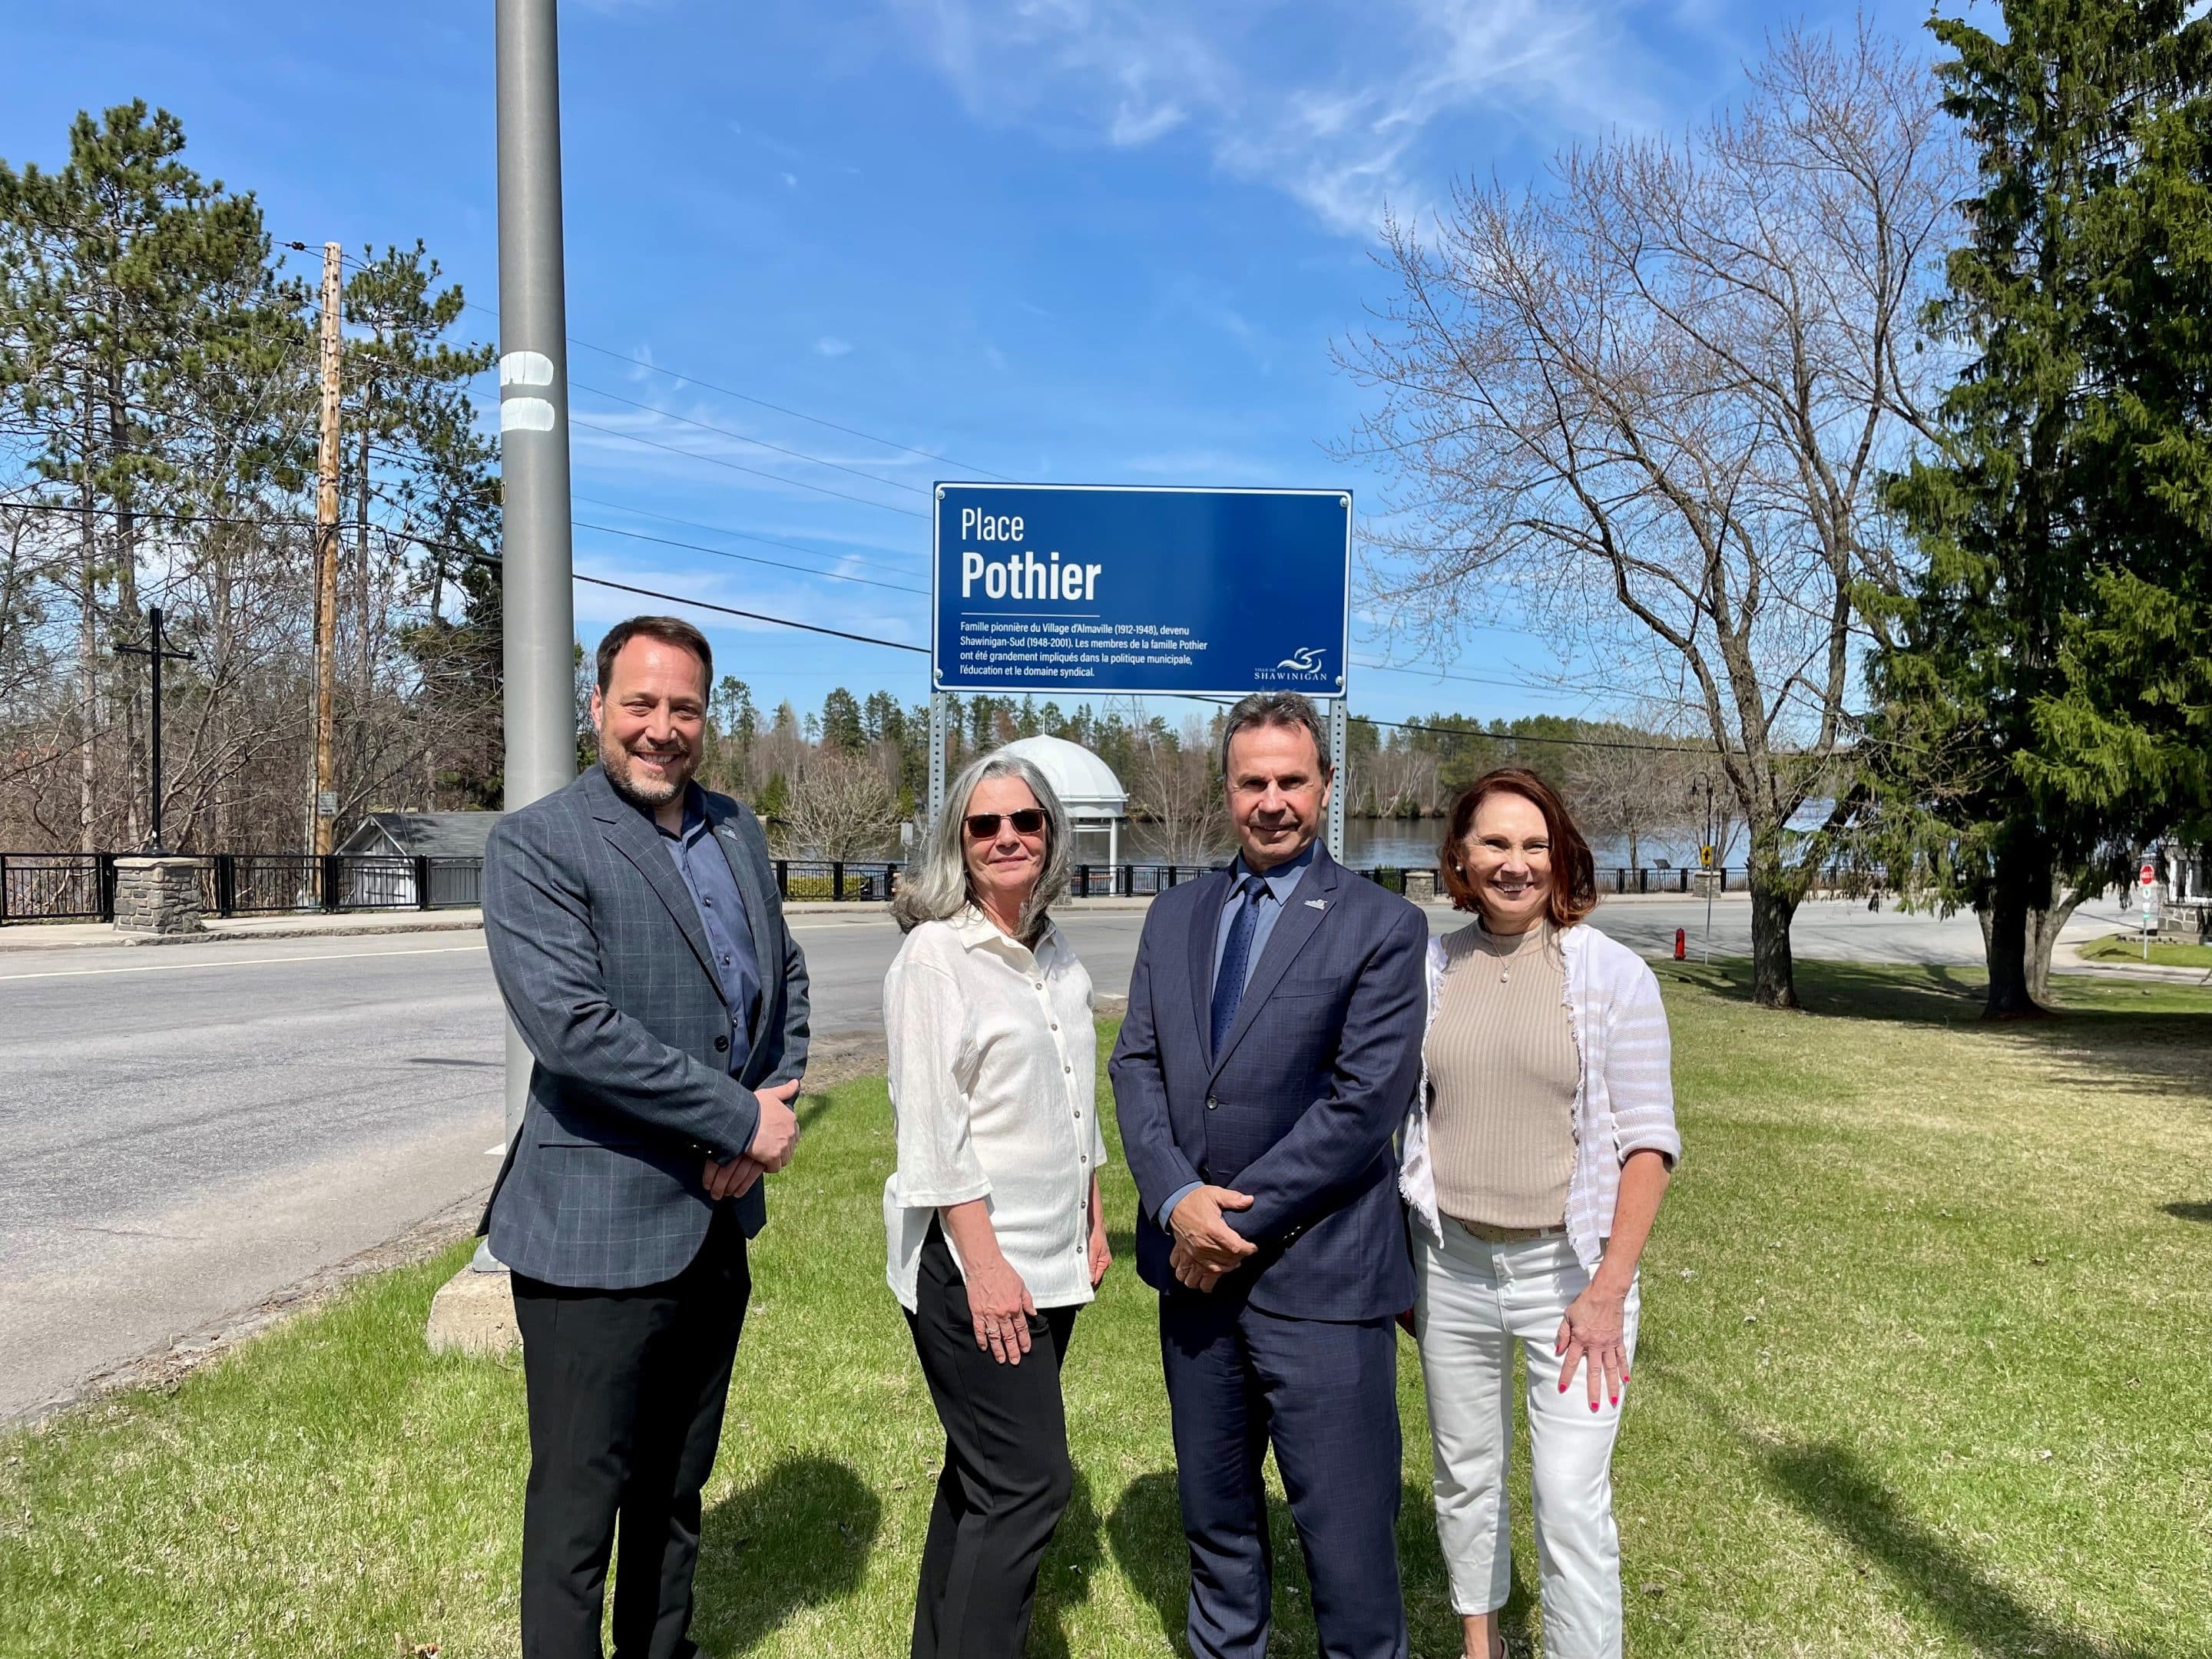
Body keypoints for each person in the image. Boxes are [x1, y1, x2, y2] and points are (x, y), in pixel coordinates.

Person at [479, 614, 811, 1659]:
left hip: (713, 1227)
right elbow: (576, 1032)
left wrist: (766, 1115)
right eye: (640, 704)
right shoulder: (537, 845)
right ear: (598, 709)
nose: (661, 728)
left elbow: (785, 979)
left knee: (675, 1490)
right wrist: (734, 1116)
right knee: (580, 1513)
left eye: (683, 708)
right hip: (595, 1234)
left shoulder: (738, 831)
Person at [1111, 691, 1429, 1659]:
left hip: (1321, 1284)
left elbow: (1361, 1106)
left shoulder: (1381, 925)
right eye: (1254, 782)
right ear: (1227, 790)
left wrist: (1225, 1225)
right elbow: (1138, 1067)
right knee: (1218, 1538)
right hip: (1196, 1295)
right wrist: (1174, 1200)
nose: (1274, 800)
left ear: (1327, 788)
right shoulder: (1174, 915)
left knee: (1348, 1555)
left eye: (1293, 780)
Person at [1400, 769, 1679, 1659]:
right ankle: (1480, 1646)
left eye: (1533, 844)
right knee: (1466, 1478)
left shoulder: (1612, 974)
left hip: (1572, 1280)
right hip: (1452, 1268)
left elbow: (1648, 1144)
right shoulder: (1430, 968)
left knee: (1569, 1500)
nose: (1514, 864)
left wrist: (1609, 1289)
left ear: (1559, 856)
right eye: (1494, 844)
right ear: (1460, 858)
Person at [882, 750, 1113, 1658]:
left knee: (981, 1476)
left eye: (1026, 821)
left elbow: (1072, 1096)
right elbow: (932, 1134)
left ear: (1050, 833)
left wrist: (1092, 1215)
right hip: (980, 1263)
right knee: (1027, 1484)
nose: (1008, 838)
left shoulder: (1055, 953)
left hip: (1053, 1257)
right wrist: (984, 1267)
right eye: (986, 825)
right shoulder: (937, 955)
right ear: (959, 841)